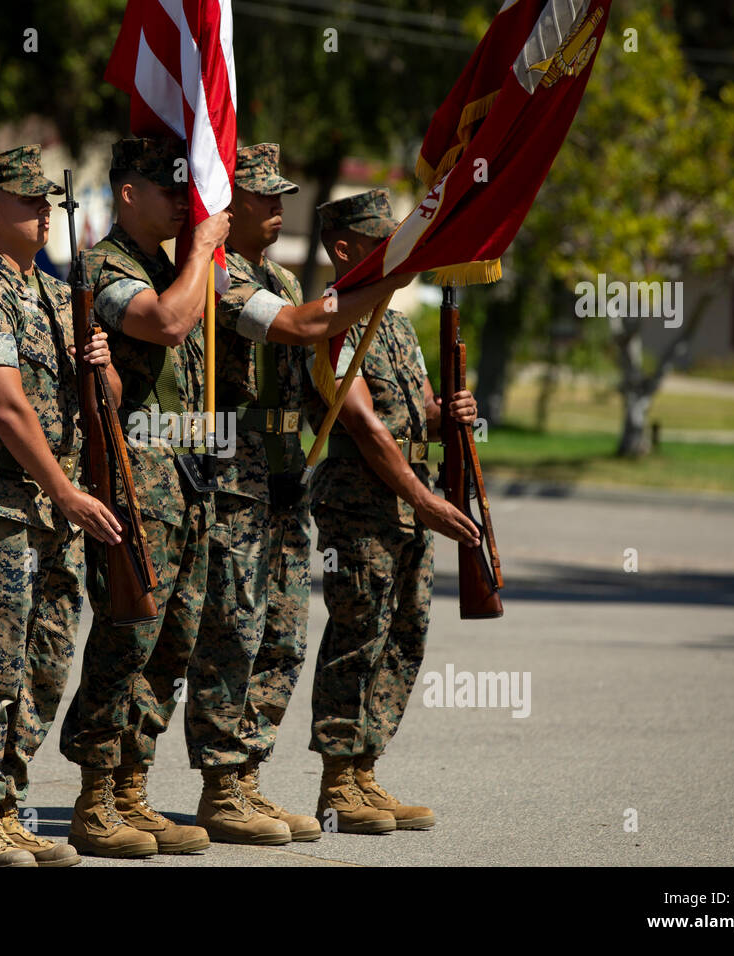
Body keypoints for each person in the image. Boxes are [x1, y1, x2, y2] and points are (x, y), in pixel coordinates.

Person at [186, 145, 413, 844]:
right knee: (233, 635)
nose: (278, 207)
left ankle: (249, 779)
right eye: (262, 196)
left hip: (286, 484)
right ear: (227, 206)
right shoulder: (220, 280)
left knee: (281, 638)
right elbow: (304, 328)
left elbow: (327, 363)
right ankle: (222, 787)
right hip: (232, 484)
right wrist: (390, 275)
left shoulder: (282, 276)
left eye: (281, 194)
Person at [0, 144, 120, 867]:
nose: (45, 212)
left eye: (48, 201)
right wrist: (67, 490)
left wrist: (101, 370)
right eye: (30, 201)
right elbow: (6, 409)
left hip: (51, 515)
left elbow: (103, 405)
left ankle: (9, 805)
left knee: (42, 664)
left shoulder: (53, 293)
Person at [57, 136, 229, 858]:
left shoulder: (164, 265)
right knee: (129, 632)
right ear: (127, 193)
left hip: (186, 476)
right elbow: (166, 323)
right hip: (137, 481)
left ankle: (133, 788)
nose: (182, 208)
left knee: (175, 641)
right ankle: (94, 798)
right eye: (168, 193)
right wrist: (201, 254)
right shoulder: (106, 267)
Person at [307, 189, 480, 832]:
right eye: (385, 240)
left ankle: (364, 772)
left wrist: (448, 416)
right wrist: (424, 498)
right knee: (357, 636)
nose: (400, 251)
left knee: (404, 637)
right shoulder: (332, 320)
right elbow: (365, 426)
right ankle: (335, 785)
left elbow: (419, 416)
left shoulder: (396, 321)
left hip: (408, 502)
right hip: (360, 505)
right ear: (347, 249)